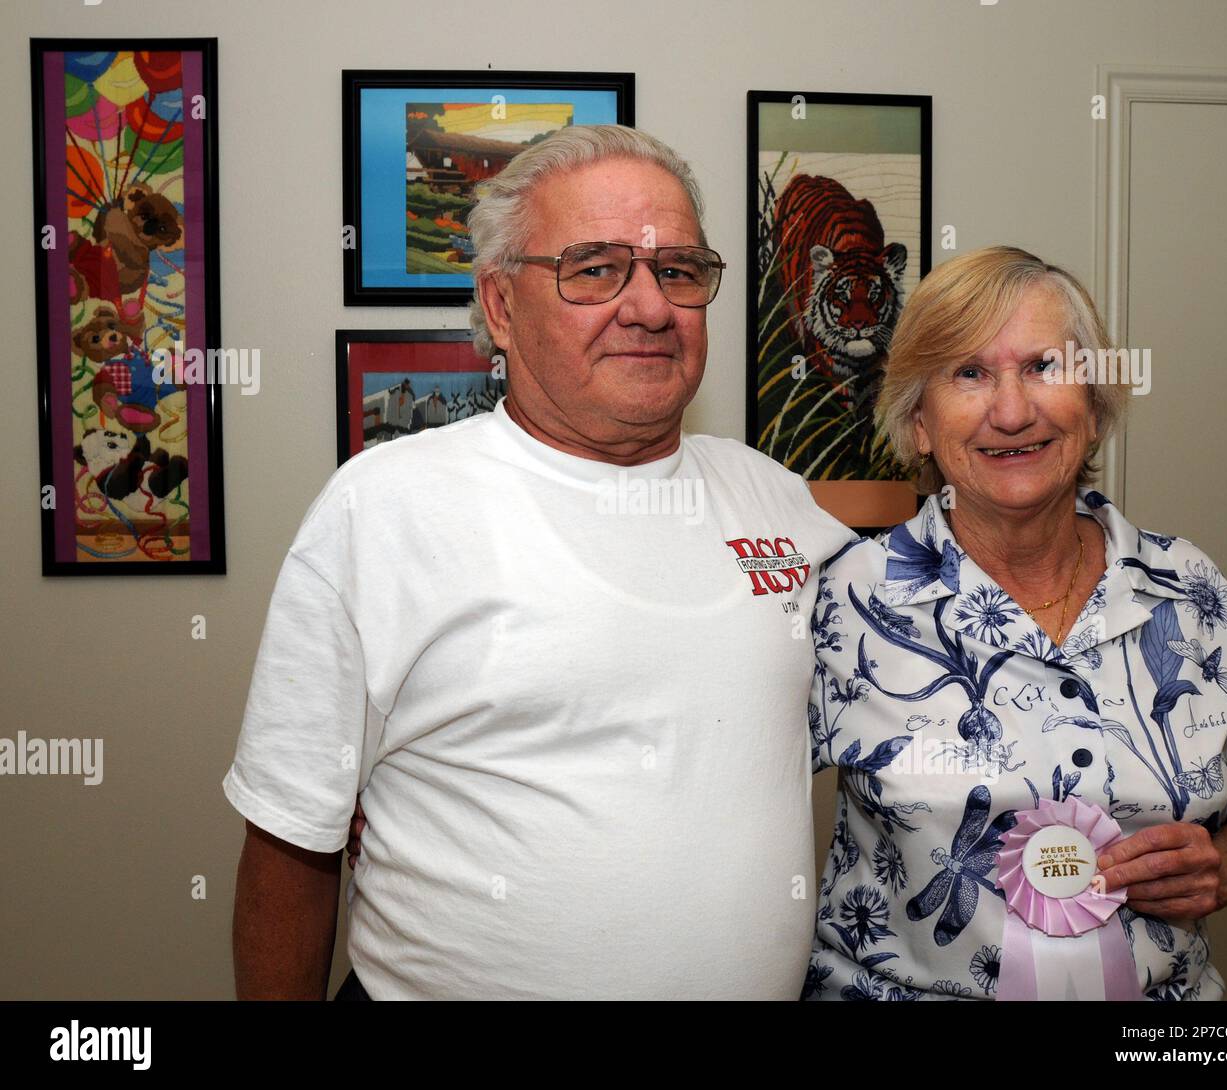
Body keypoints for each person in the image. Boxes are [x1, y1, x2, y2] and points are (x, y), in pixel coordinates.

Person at [224, 125, 855, 1000]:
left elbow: (955, 626)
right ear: (500, 307)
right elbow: (293, 840)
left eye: (677, 270)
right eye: (595, 269)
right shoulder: (384, 509)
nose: (650, 307)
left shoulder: (780, 504)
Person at [803, 246, 1227, 1001]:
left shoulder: (1190, 588)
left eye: (1043, 367)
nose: (1012, 410)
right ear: (920, 422)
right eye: (969, 373)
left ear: (1092, 407)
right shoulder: (843, 604)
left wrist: (1221, 871)